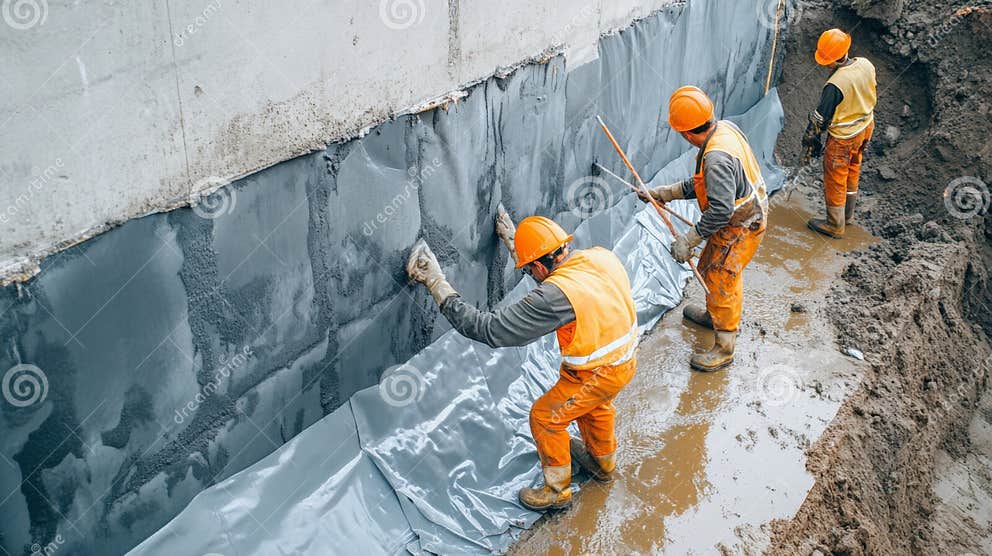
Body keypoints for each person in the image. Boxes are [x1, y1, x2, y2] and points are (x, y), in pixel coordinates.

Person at [405, 209, 637, 512]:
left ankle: (557, 491)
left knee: (545, 418)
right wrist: (519, 245)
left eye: (529, 269)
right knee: (595, 407)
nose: (528, 275)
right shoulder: (597, 256)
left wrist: (436, 281)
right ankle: (602, 464)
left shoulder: (557, 296)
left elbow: (489, 329)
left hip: (596, 372)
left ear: (540, 265)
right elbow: (562, 283)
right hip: (622, 359)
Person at [641, 86, 768, 372]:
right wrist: (665, 193)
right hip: (742, 212)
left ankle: (724, 347)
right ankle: (715, 317)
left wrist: (690, 239)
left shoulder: (716, 159)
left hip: (742, 224)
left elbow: (721, 211)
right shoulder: (723, 130)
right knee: (709, 267)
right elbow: (703, 184)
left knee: (723, 277)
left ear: (686, 134)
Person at [802, 28, 877, 238]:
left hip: (844, 137)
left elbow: (821, 116)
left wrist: (811, 137)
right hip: (866, 126)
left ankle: (835, 225)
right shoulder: (865, 64)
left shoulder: (835, 84)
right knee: (853, 167)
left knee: (836, 176)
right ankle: (848, 215)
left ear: (831, 61)